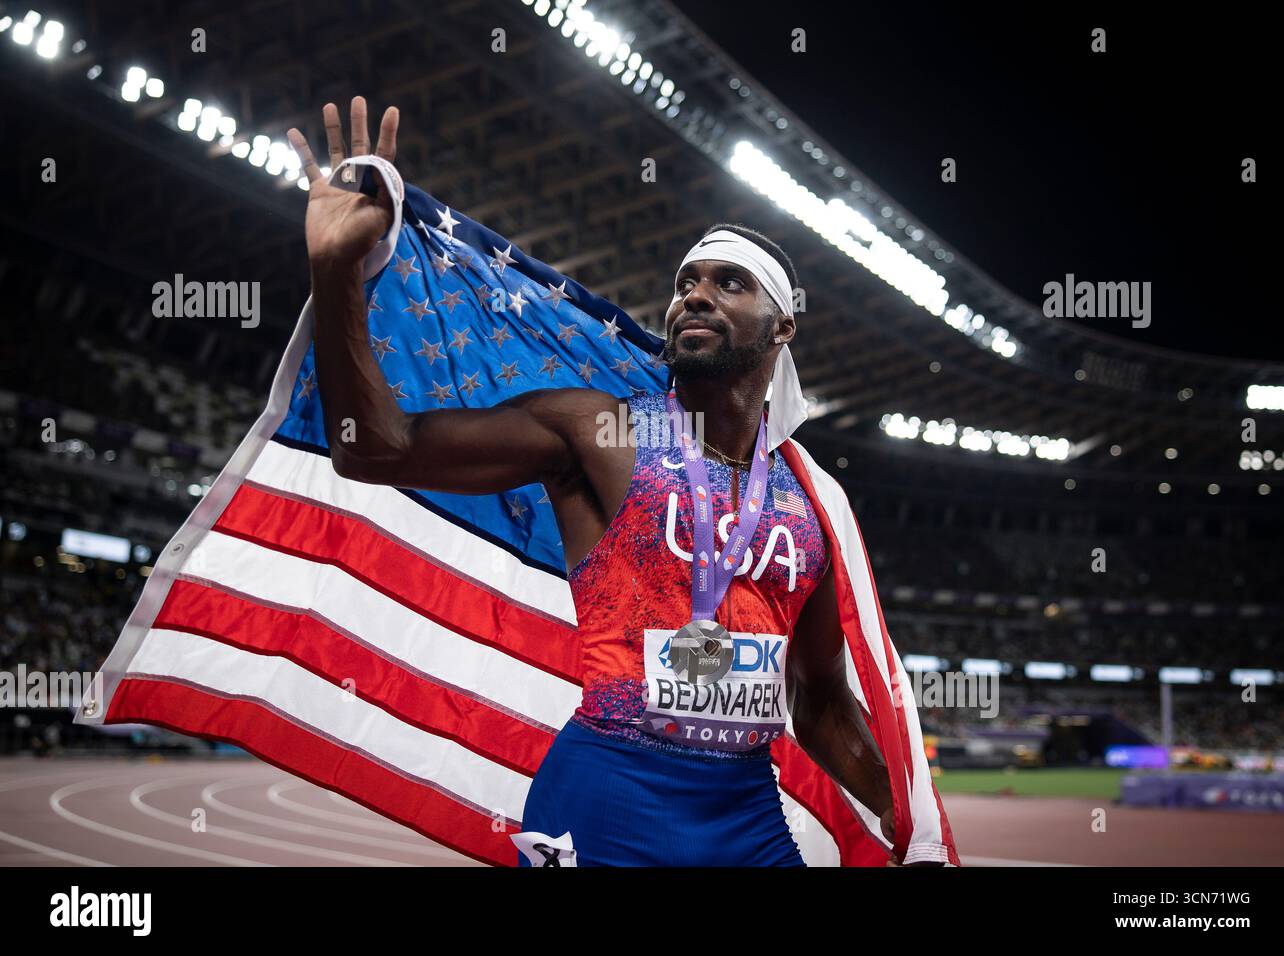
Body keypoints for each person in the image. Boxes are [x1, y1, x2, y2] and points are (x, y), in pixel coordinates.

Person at [289, 96, 927, 866]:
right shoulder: (601, 431)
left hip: (746, 814)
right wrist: (336, 273)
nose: (695, 293)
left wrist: (906, 818)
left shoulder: (810, 501)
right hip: (606, 797)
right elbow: (373, 450)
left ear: (783, 326)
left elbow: (820, 700)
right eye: (687, 281)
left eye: (730, 283)